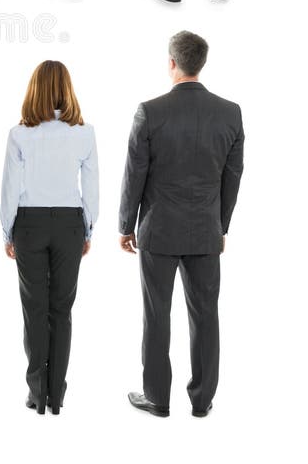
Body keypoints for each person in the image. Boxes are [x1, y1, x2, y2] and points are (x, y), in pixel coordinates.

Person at [119, 31, 244, 417]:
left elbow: (134, 174)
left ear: (171, 63)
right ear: (201, 64)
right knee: (206, 315)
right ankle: (203, 400)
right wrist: (220, 226)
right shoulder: (230, 112)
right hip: (206, 230)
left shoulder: (150, 111)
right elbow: (233, 175)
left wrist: (125, 225)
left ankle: (157, 398)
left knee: (157, 314)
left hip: (158, 230)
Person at [0, 61, 98, 415]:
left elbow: (10, 187)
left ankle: (37, 392)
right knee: (62, 310)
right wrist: (89, 226)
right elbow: (92, 186)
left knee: (34, 310)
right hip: (70, 222)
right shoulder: (84, 133)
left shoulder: (20, 133)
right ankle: (57, 394)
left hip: (30, 223)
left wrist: (7, 229)